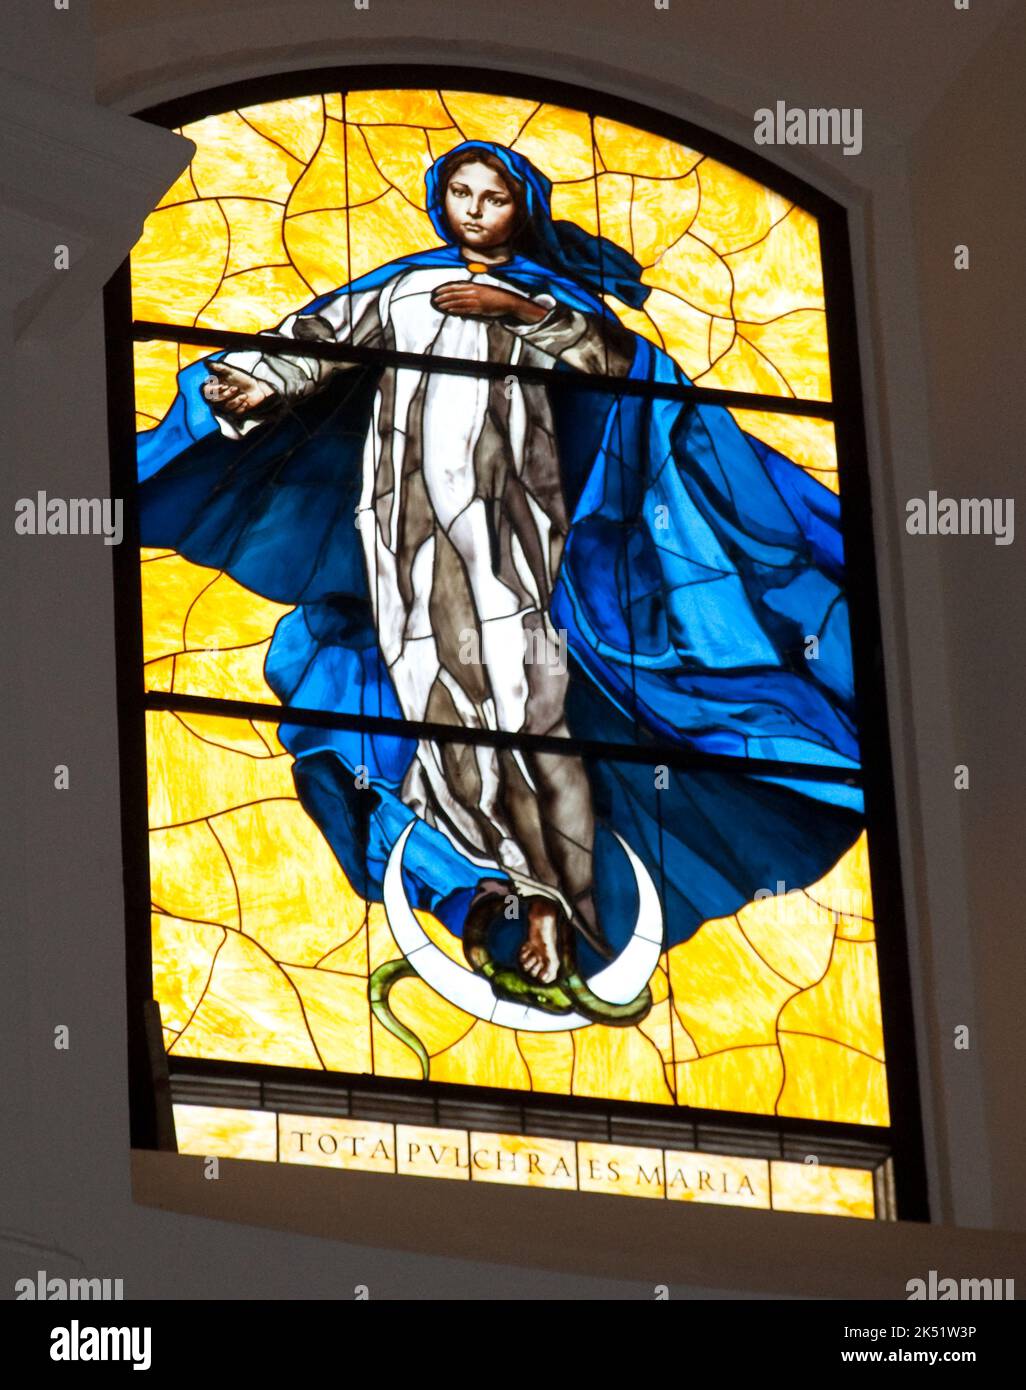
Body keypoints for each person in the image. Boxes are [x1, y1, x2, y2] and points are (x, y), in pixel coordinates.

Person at [138, 140, 864, 1007]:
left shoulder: (543, 299)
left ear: (524, 208)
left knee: (524, 707)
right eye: (459, 193)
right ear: (439, 201)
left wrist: (517, 314)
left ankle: (572, 900)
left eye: (494, 197)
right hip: (402, 531)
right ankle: (499, 877)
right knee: (433, 703)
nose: (475, 210)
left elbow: (617, 365)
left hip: (511, 529)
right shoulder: (403, 288)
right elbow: (321, 343)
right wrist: (262, 387)